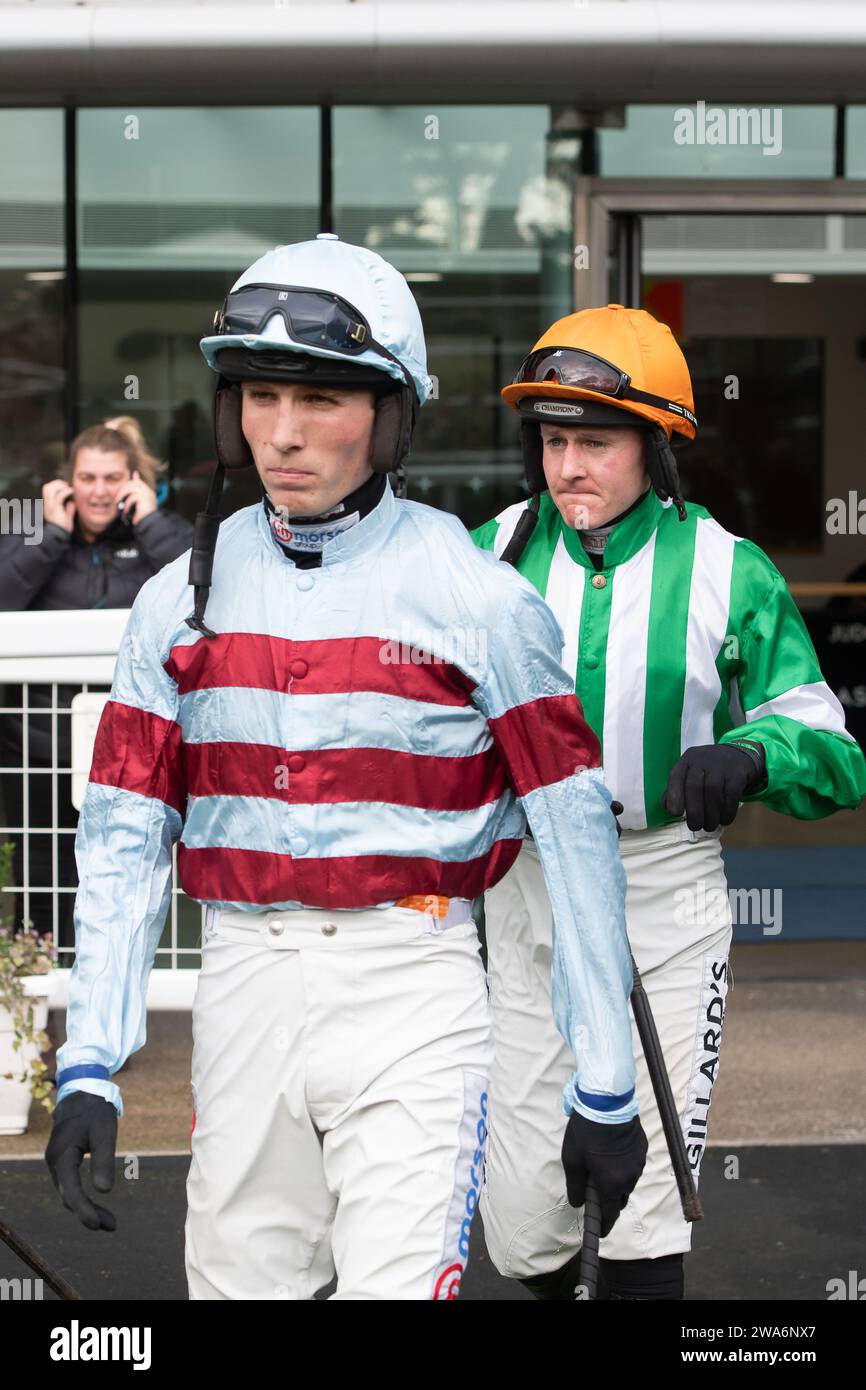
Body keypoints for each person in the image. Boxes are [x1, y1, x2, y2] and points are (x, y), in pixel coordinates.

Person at [44, 237, 647, 1301]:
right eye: (261, 394)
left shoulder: (482, 600)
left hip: (411, 977)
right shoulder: (172, 600)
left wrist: (603, 1083)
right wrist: (90, 1057)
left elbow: (573, 836)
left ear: (391, 413)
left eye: (321, 399)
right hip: (242, 982)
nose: (282, 433)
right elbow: (125, 834)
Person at [471, 304, 866, 1301]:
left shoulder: (730, 570)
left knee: (644, 1193)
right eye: (553, 441)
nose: (568, 468)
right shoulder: (487, 556)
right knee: (521, 1216)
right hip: (525, 890)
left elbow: (831, 750)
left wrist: (748, 753)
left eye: (594, 443)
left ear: (656, 446)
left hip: (662, 887)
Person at [0, 418, 192, 947]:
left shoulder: (156, 532)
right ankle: (45, 986)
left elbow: (203, 586)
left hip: (130, 741)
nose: (100, 491)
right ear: (67, 484)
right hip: (41, 744)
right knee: (43, 870)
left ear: (132, 481)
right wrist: (53, 534)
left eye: (112, 478)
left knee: (123, 869)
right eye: (88, 478)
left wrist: (150, 522)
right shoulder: (35, 535)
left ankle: (110, 988)